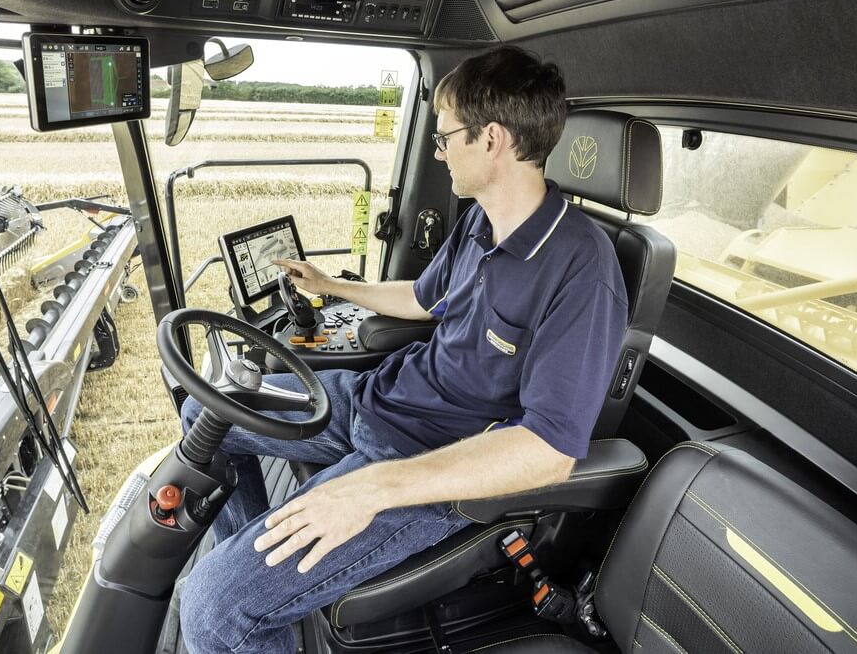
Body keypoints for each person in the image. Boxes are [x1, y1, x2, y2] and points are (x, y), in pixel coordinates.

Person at [179, 45, 628, 654]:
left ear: (491, 139)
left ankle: (248, 597)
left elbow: (548, 452)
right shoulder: (479, 221)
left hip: (431, 467)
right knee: (207, 412)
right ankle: (263, 576)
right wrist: (332, 285)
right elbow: (423, 297)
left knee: (211, 608)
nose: (438, 152)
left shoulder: (583, 267)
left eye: (444, 138)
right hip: (378, 400)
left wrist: (374, 488)